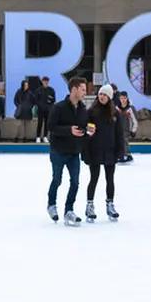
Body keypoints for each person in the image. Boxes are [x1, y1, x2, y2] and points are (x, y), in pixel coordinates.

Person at [47, 76, 88, 225]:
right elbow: (51, 127)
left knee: (75, 183)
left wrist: (88, 130)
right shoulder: (58, 107)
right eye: (83, 89)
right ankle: (51, 204)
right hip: (58, 151)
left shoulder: (83, 109)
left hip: (74, 152)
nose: (85, 92)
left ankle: (69, 210)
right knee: (57, 180)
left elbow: (83, 126)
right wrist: (68, 130)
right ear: (74, 89)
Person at [82, 84, 125, 222]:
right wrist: (86, 152)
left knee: (110, 179)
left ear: (110, 97)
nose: (102, 97)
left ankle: (110, 204)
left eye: (105, 95)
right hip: (95, 150)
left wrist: (120, 150)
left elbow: (119, 133)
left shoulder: (115, 114)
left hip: (110, 151)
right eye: (100, 94)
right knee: (94, 178)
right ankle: (89, 205)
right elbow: (88, 134)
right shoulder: (91, 112)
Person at [115, 90, 138, 164]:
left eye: (124, 98)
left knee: (125, 142)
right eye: (121, 98)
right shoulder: (117, 108)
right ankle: (122, 155)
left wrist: (133, 130)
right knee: (119, 142)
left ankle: (126, 155)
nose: (123, 100)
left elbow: (134, 120)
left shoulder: (130, 109)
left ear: (127, 98)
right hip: (118, 129)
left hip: (126, 129)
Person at [35, 76, 56, 143]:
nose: (46, 82)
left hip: (48, 110)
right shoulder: (38, 90)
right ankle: (38, 137)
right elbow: (36, 100)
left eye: (47, 81)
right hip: (40, 110)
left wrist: (50, 106)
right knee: (40, 123)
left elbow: (53, 100)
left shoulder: (51, 90)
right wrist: (40, 106)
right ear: (42, 81)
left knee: (47, 124)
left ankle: (45, 136)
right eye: (44, 81)